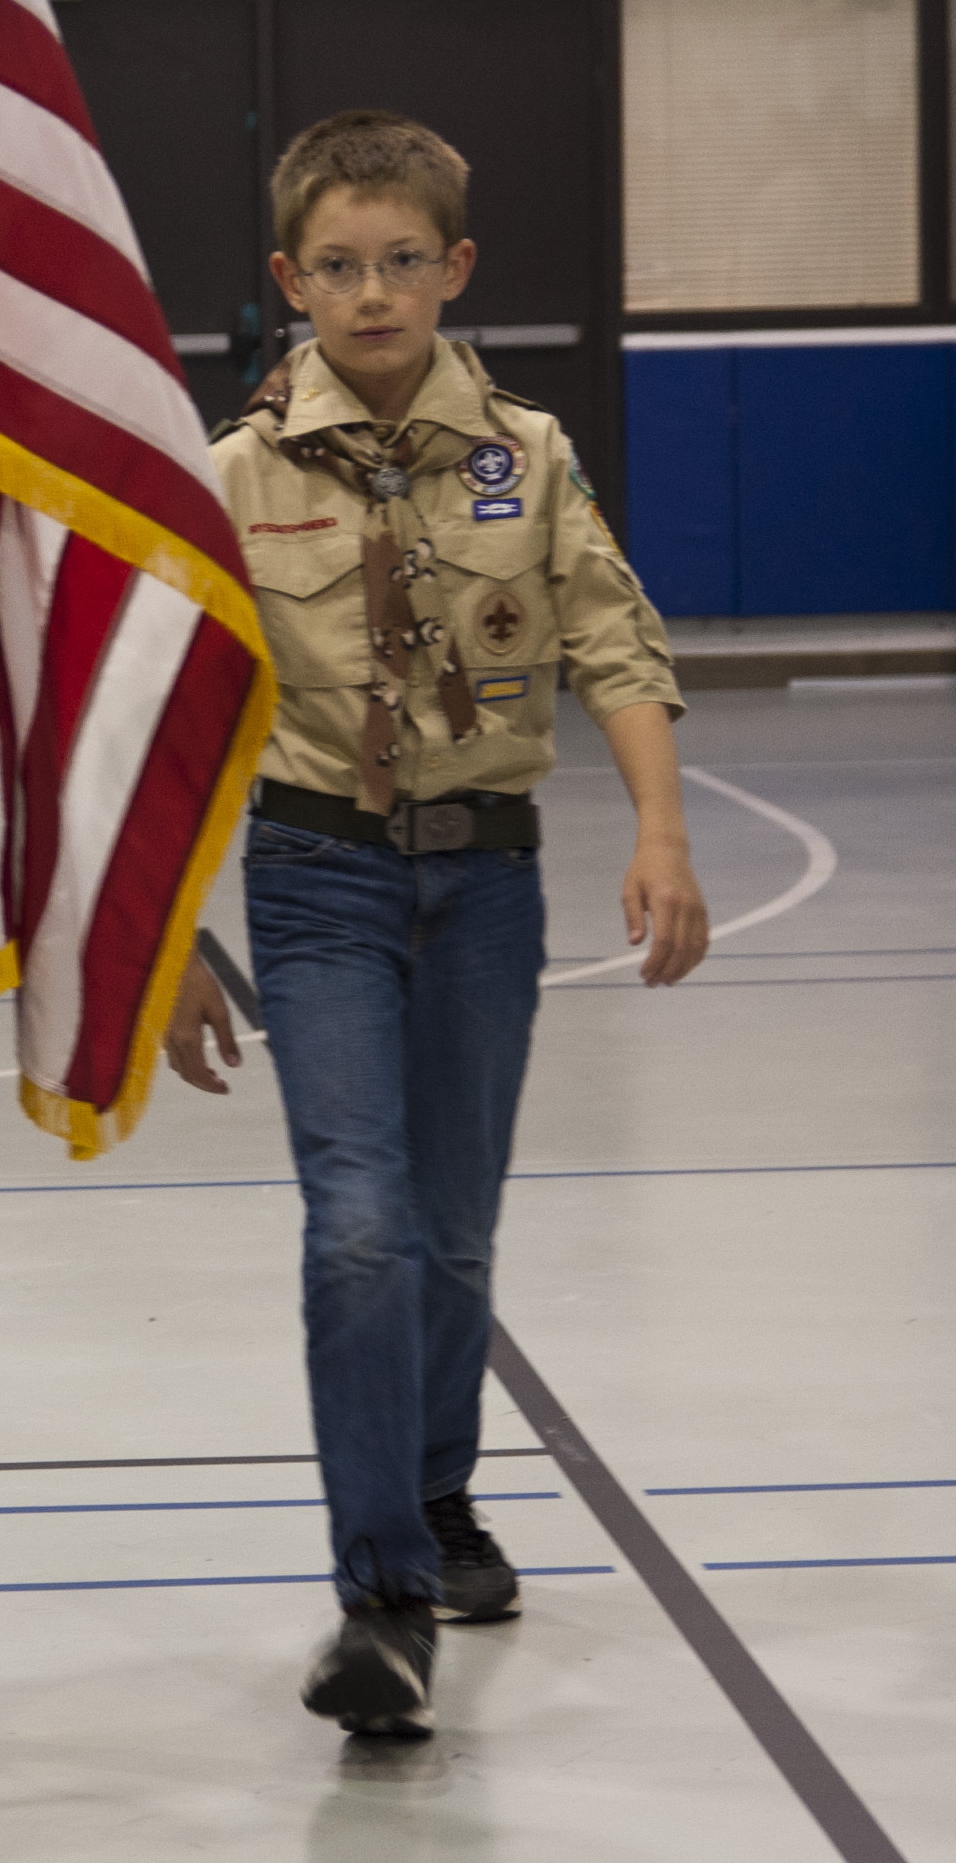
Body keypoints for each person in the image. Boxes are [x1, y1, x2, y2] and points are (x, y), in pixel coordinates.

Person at [162, 110, 710, 1737]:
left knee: (455, 1224)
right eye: (339, 265)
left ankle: (442, 1490)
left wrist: (663, 830)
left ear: (457, 266)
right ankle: (382, 1589)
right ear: (290, 280)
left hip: (486, 876)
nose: (375, 291)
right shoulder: (237, 473)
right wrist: (181, 928)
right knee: (360, 1220)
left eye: (405, 260)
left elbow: (613, 636)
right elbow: (181, 710)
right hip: (316, 872)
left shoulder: (522, 454)